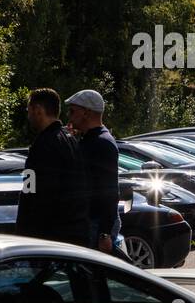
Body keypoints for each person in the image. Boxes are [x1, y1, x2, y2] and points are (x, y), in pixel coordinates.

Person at [15, 88, 90, 245]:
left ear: (38, 110)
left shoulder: (42, 145)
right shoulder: (70, 140)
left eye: (29, 111)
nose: (28, 116)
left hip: (50, 235)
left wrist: (25, 232)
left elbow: (31, 190)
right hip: (75, 230)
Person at [66, 89, 124, 257]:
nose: (69, 117)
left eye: (72, 111)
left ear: (86, 112)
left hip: (97, 223)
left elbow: (110, 191)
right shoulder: (90, 139)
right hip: (91, 221)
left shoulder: (101, 143)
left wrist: (105, 233)